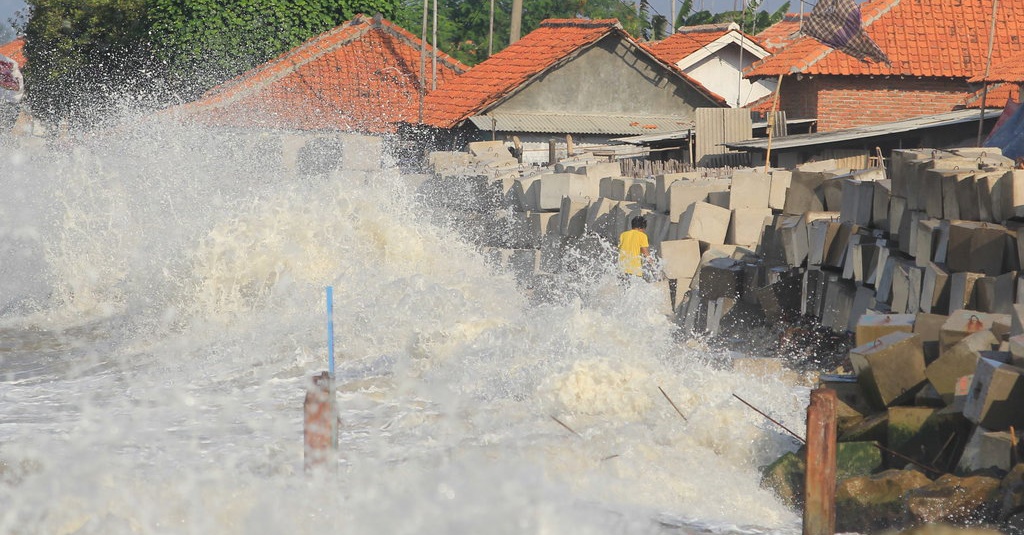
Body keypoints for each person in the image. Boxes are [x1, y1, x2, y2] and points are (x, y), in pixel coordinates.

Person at [618, 215, 652, 280]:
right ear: (640, 228)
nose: (644, 231)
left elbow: (620, 249)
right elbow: (645, 252)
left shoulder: (623, 234)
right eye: (643, 229)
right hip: (634, 270)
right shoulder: (642, 235)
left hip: (622, 269)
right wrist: (653, 264)